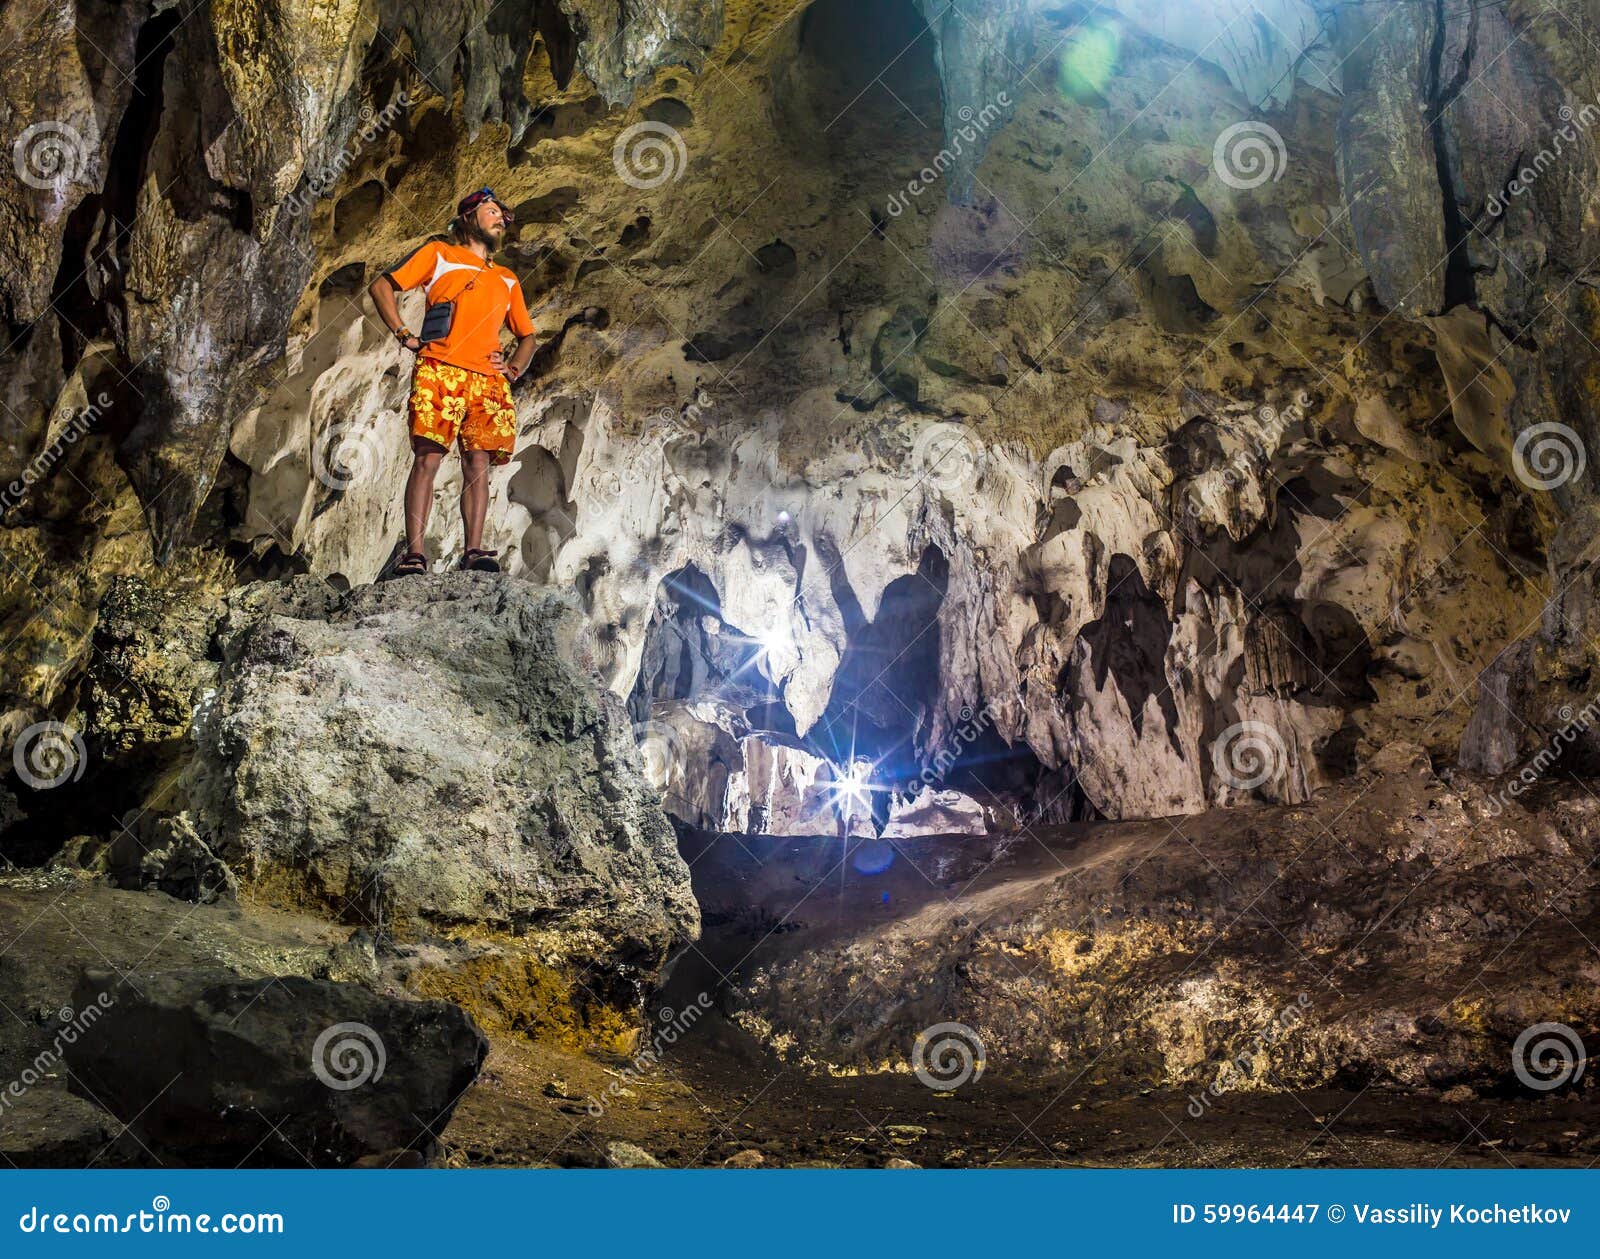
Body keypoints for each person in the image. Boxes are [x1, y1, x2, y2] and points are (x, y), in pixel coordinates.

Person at [368, 187, 537, 575]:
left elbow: (528, 336)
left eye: (502, 216)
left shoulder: (507, 278)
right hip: (439, 368)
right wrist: (403, 335)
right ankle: (414, 554)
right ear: (468, 217)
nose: (500, 220)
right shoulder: (440, 254)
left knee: (478, 463)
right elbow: (382, 286)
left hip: (488, 380)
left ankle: (473, 552)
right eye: (492, 212)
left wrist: (512, 367)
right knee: (428, 457)